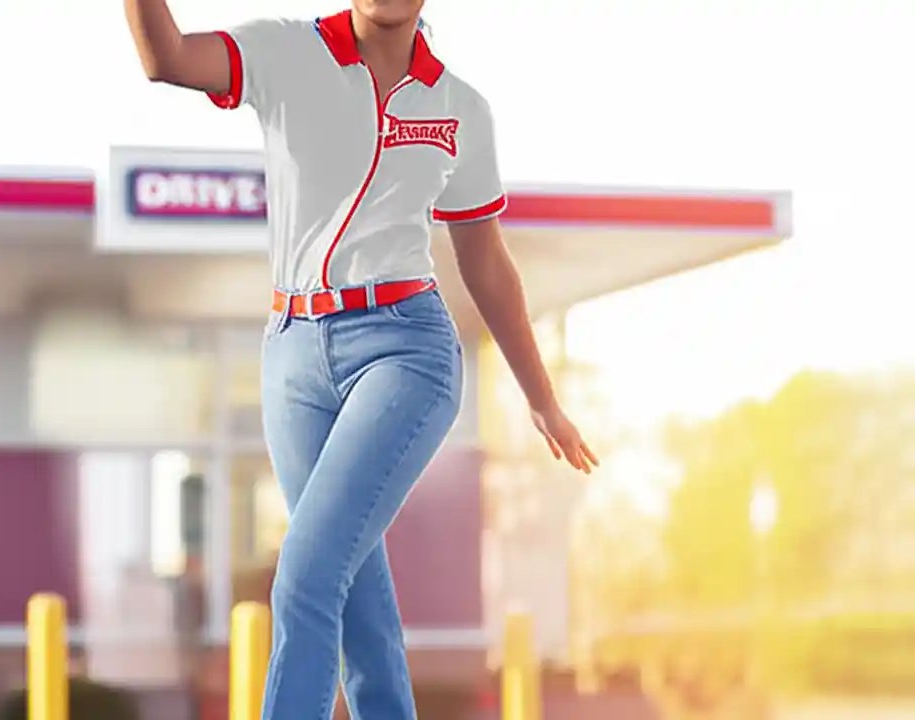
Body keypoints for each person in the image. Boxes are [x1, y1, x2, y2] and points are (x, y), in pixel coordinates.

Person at [123, 2, 599, 718]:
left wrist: (540, 395)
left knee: (305, 577)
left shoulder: (458, 107)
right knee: (361, 617)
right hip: (292, 356)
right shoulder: (287, 53)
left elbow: (485, 258)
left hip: (405, 350)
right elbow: (167, 59)